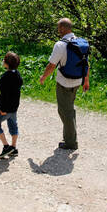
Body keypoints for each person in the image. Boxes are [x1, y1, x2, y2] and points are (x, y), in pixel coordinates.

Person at [38, 17, 89, 151]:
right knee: (69, 109)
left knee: (64, 111)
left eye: (58, 28)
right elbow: (86, 64)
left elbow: (51, 65)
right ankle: (69, 136)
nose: (58, 30)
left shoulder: (60, 45)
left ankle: (71, 143)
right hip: (77, 81)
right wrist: (86, 80)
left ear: (62, 28)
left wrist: (43, 77)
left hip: (64, 82)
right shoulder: (81, 43)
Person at [0, 51, 22, 159]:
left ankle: (6, 146)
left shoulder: (5, 77)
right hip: (14, 108)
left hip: (5, 108)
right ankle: (14, 147)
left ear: (6, 64)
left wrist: (2, 108)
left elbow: (4, 95)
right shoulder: (17, 74)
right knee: (13, 125)